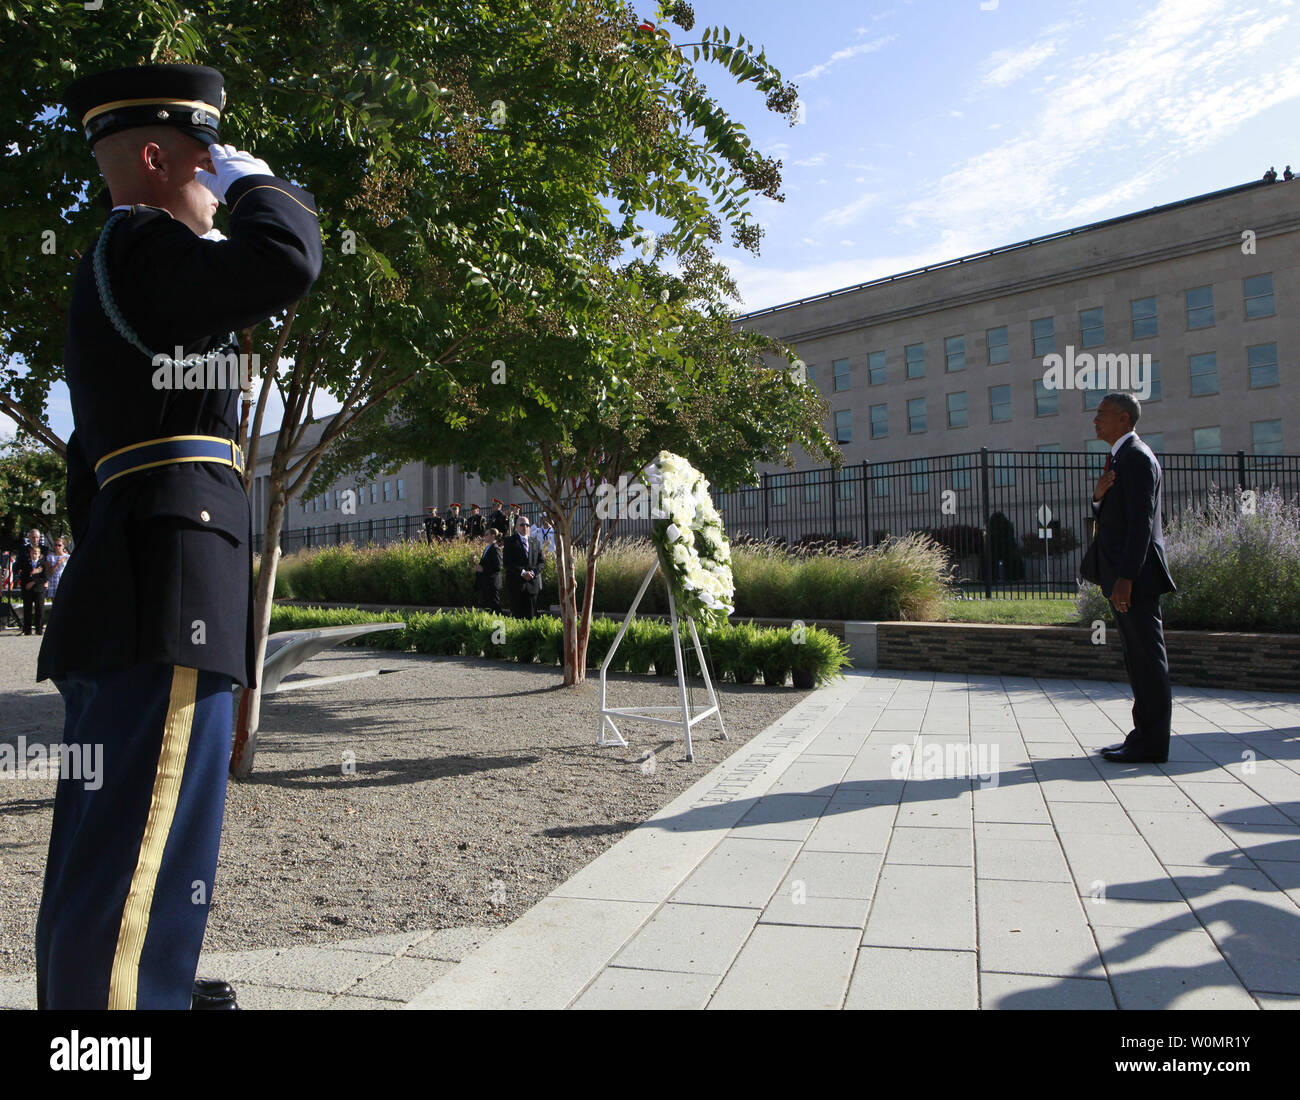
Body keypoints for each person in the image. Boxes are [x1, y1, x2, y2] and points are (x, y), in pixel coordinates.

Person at [35, 63, 322, 1011]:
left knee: (113, 848)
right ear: (159, 160)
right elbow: (286, 256)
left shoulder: (130, 266)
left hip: (142, 582)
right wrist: (256, 181)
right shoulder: (146, 243)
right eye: (208, 162)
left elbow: (89, 470)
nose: (220, 188)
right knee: (141, 852)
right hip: (166, 590)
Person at [1078, 393, 1176, 764]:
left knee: (1148, 659)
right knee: (1137, 659)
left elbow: (1141, 525)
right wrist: (1098, 499)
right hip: (1126, 576)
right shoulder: (1121, 457)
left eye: (1100, 414)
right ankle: (1142, 737)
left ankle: (1152, 744)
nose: (1095, 420)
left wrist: (1126, 578)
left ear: (1122, 418)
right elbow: (1118, 516)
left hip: (1136, 578)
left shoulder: (1136, 457)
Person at [504, 515, 544, 619]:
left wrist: (533, 573)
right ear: (516, 527)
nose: (525, 527)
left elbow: (541, 562)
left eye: (527, 525)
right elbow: (507, 563)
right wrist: (522, 572)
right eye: (522, 525)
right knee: (517, 617)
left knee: (532, 616)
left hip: (532, 585)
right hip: (516, 585)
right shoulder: (510, 542)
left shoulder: (535, 542)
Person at [18, 543, 48, 635]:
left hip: (39, 589)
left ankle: (39, 629)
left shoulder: (43, 564)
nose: (34, 555)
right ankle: (27, 630)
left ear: (39, 554)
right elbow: (23, 576)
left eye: (36, 553)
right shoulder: (26, 563)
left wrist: (34, 582)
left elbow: (45, 577)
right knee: (27, 609)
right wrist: (26, 583)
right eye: (32, 553)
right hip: (27, 589)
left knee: (39, 609)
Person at [475, 532, 504, 612]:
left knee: (494, 607)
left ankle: (499, 623)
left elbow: (498, 566)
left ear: (493, 536)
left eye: (486, 534)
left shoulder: (495, 548)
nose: (484, 536)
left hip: (492, 583)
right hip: (486, 582)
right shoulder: (488, 548)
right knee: (487, 607)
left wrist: (483, 569)